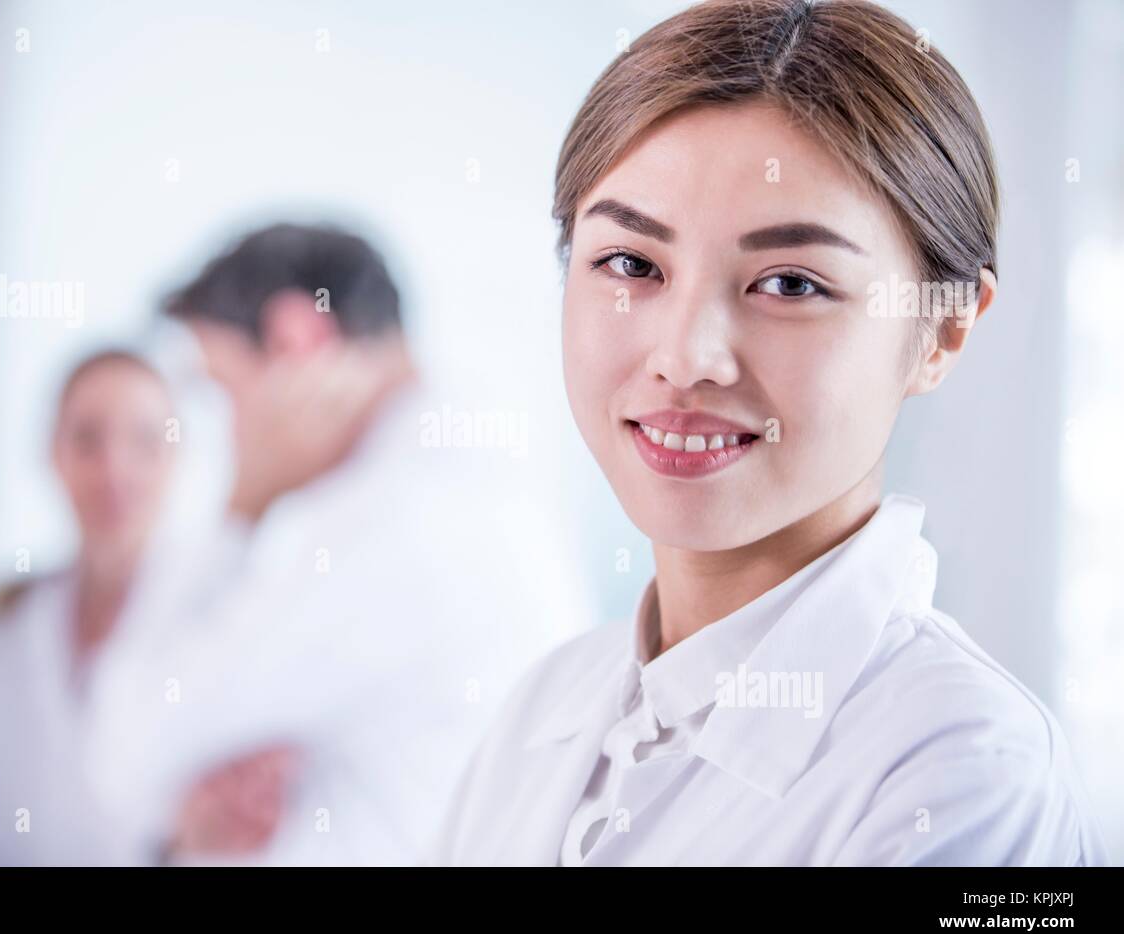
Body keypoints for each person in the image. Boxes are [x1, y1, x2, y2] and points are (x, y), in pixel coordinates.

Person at [436, 0, 1109, 865]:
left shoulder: (968, 777)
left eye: (790, 284)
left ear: (942, 329)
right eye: (632, 264)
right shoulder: (541, 711)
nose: (685, 358)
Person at [83, 223, 594, 865]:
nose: (228, 434)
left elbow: (118, 754)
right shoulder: (467, 477)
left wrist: (241, 510)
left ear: (299, 338)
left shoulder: (395, 520)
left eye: (222, 392)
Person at [0, 349, 185, 864]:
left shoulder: (224, 621)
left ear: (176, 458)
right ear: (52, 454)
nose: (115, 469)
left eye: (145, 440)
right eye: (87, 439)